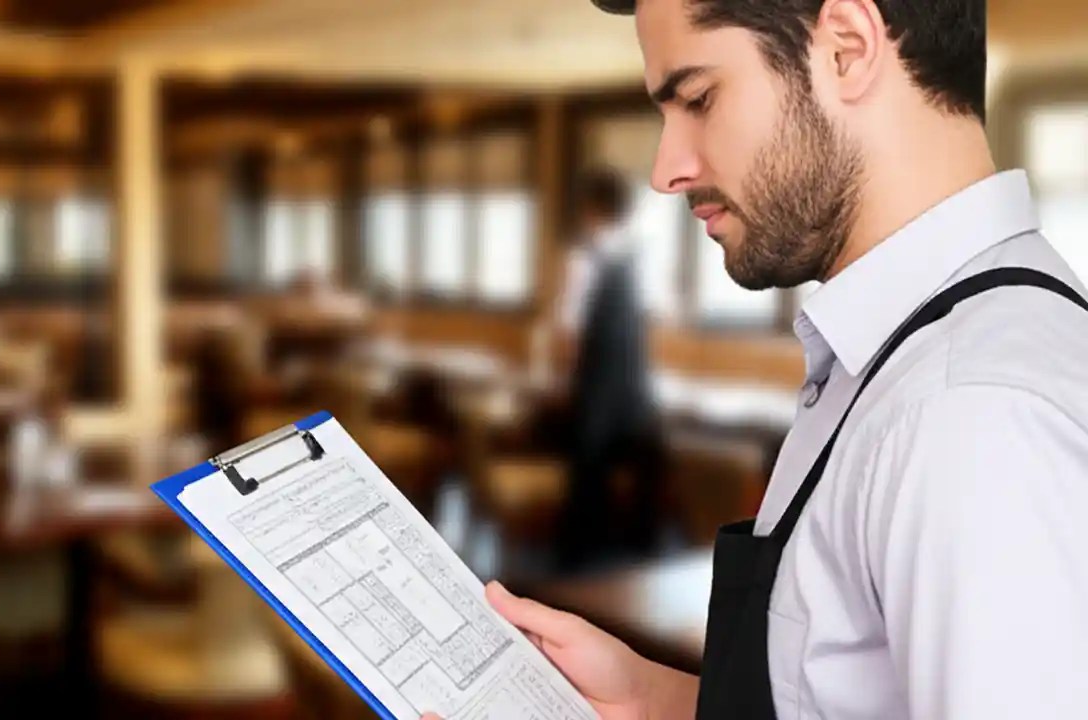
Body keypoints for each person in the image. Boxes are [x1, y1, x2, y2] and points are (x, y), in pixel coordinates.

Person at [426, 0, 1088, 718]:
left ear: (846, 49)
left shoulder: (972, 412)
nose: (665, 171)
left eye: (699, 99)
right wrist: (651, 701)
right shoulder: (906, 357)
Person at [554, 168, 663, 571]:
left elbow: (570, 332)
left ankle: (578, 565)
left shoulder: (583, 257)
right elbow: (649, 323)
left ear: (591, 208)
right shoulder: (640, 259)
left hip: (597, 386)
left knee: (587, 474)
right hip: (634, 385)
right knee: (645, 468)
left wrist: (564, 382)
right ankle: (640, 559)